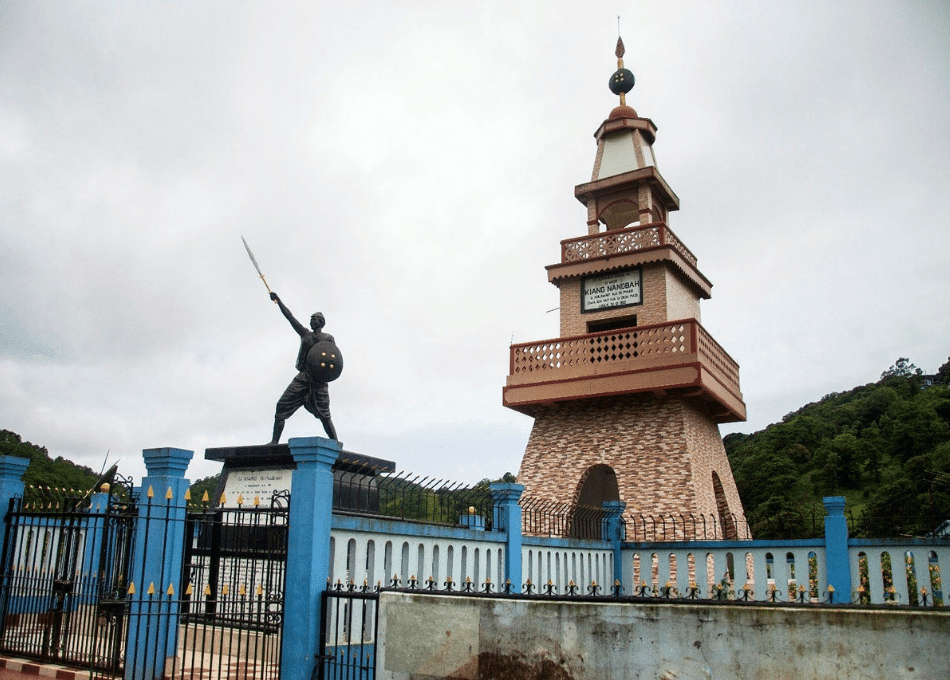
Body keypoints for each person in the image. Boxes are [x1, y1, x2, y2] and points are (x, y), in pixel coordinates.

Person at [268, 291, 338, 443]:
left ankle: (335, 443)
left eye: (314, 320)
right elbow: (290, 317)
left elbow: (333, 360)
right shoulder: (305, 334)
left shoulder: (328, 338)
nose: (311, 322)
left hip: (318, 381)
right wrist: (278, 301)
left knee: (325, 415)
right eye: (311, 319)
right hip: (303, 378)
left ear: (321, 322)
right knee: (281, 407)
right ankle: (274, 442)